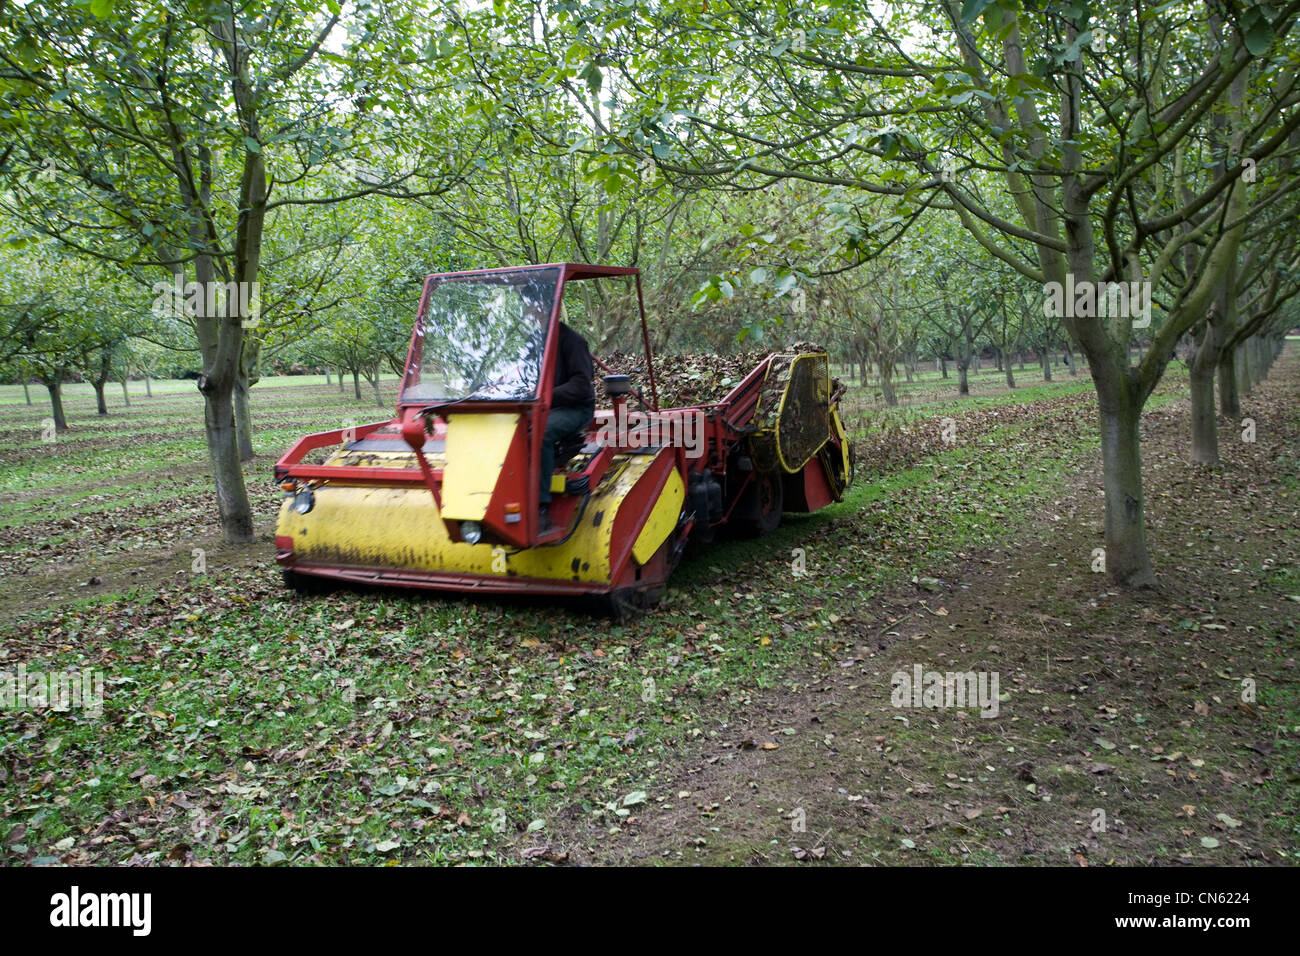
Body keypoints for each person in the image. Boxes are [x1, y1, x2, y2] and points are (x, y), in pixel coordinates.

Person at [539, 321, 594, 531]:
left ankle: (541, 507)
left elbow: (581, 385)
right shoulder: (536, 340)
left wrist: (546, 396)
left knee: (541, 432)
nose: (530, 313)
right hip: (542, 406)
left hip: (575, 408)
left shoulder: (573, 341)